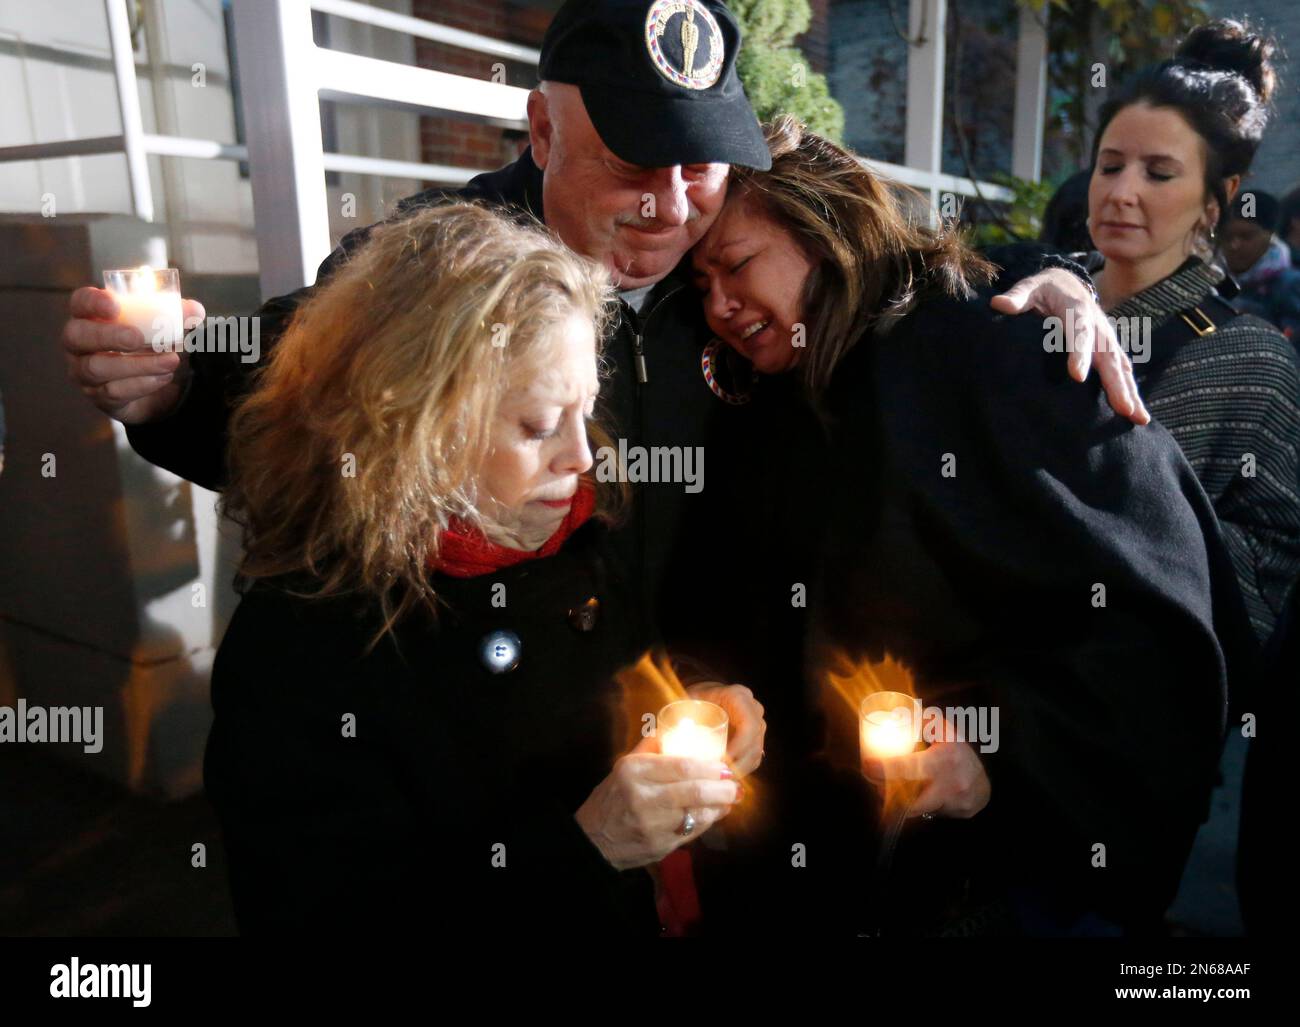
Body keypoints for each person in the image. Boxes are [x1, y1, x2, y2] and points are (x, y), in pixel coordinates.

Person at [679, 115, 1241, 937]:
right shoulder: (766, 403)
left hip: (993, 889)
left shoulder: (995, 347)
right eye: (701, 288)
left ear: (827, 228)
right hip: (811, 878)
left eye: (735, 266)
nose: (722, 306)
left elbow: (1153, 615)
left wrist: (996, 762)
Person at [205, 201, 759, 934]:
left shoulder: (571, 541)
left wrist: (692, 698)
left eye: (584, 411)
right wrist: (585, 848)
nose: (582, 456)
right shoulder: (299, 646)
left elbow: (621, 681)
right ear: (413, 425)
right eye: (537, 425)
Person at [1085, 18, 1300, 647]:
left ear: (1217, 199)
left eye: (1158, 173)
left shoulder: (1252, 361)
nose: (1121, 192)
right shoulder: (1028, 305)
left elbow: (1273, 564)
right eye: (1110, 165)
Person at [1220, 189, 1300, 339]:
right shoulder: (1216, 284)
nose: (1234, 245)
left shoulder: (1289, 284)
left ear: (1270, 236)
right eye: (1227, 237)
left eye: (1246, 236)